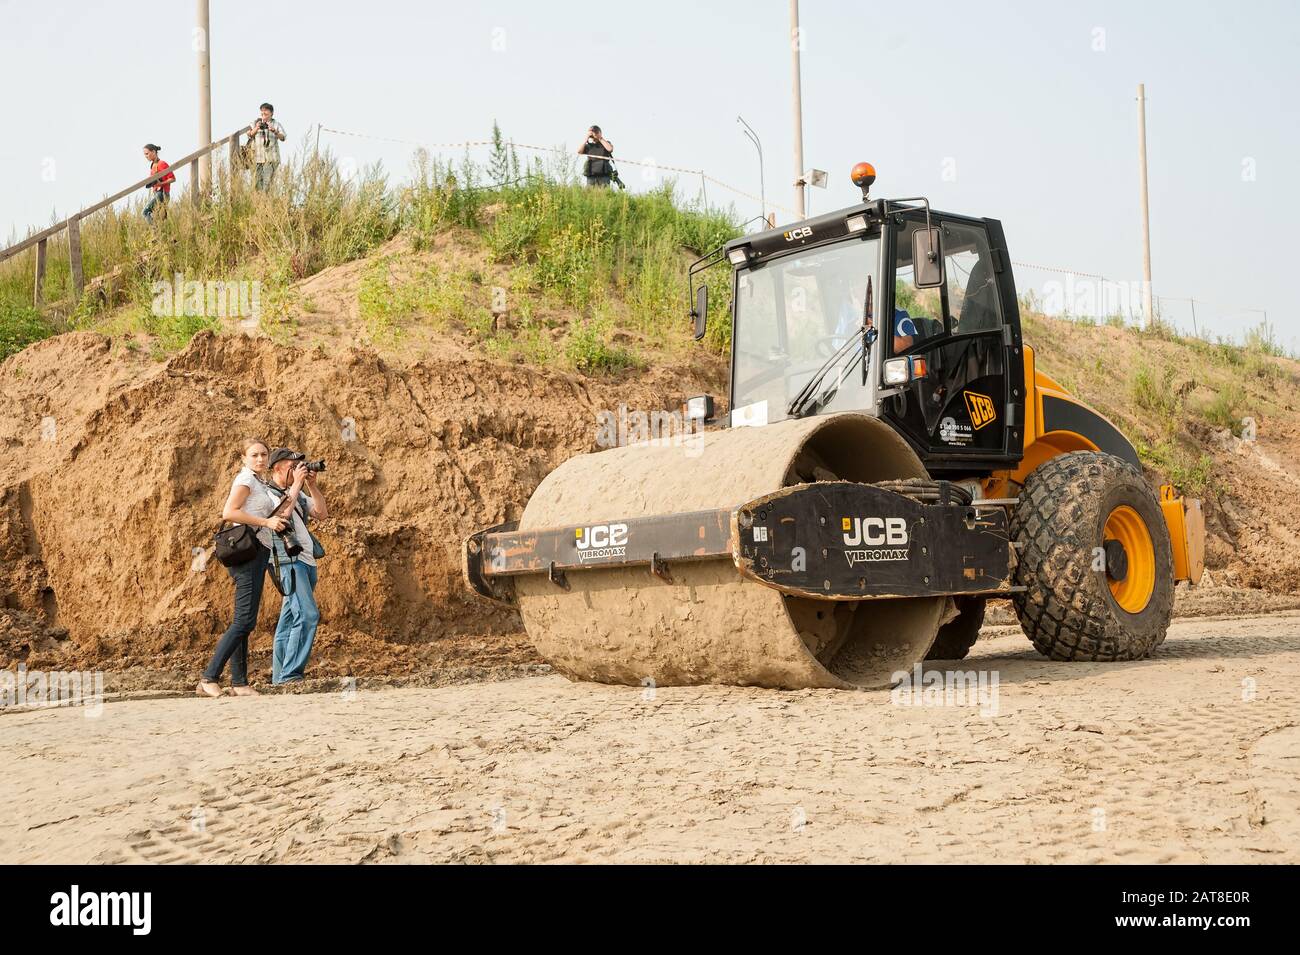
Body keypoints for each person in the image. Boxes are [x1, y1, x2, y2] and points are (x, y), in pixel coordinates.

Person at [198, 438, 292, 698]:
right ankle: (209, 678)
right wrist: (266, 522)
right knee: (243, 621)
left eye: (264, 454)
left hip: (257, 553)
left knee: (245, 620)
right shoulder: (246, 480)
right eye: (254, 455)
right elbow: (229, 512)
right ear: (244, 458)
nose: (260, 459)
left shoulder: (259, 481)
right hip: (247, 554)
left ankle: (239, 683)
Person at [263, 448, 327, 684]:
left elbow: (322, 513)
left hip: (307, 561)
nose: (298, 469)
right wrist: (296, 486)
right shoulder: (267, 493)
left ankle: (280, 677)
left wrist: (312, 486)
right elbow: (281, 517)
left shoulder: (298, 493)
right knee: (308, 614)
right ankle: (291, 675)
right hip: (289, 563)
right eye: (292, 466)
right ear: (277, 468)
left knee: (289, 620)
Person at [247, 102, 287, 191]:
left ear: (271, 113)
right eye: (262, 113)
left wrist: (274, 131)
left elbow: (283, 137)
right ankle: (259, 203)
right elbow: (249, 134)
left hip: (271, 158)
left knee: (266, 184)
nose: (263, 116)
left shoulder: (276, 124)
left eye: (266, 114)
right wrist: (257, 128)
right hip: (257, 158)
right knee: (256, 184)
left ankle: (265, 203)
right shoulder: (255, 122)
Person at [142, 144, 175, 224]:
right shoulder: (153, 165)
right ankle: (161, 232)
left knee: (145, 212)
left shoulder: (162, 163)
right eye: (144, 154)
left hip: (162, 193)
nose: (146, 156)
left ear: (153, 152)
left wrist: (161, 183)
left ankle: (155, 230)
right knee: (162, 218)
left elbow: (172, 178)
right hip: (157, 193)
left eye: (147, 154)